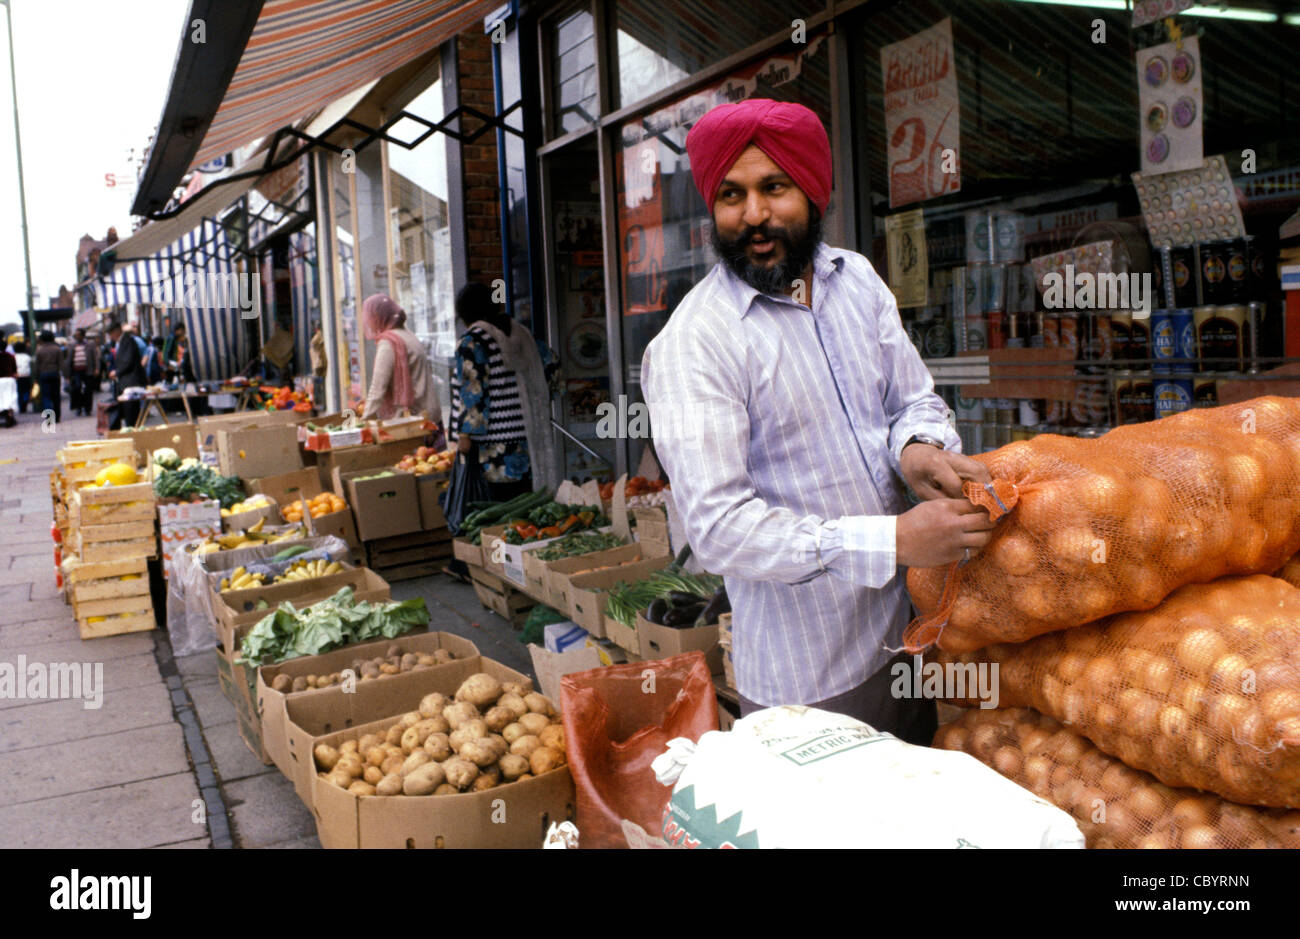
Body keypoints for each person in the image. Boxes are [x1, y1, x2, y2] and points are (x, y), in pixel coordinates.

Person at [641, 99, 995, 745]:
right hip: (807, 683)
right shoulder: (697, 342)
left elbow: (912, 398)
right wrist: (891, 541)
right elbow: (718, 529)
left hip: (907, 635)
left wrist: (916, 448)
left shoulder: (854, 279)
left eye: (773, 187)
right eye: (731, 194)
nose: (754, 214)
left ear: (811, 188)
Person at [449, 283, 559, 500]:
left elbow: (473, 393)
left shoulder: (472, 342)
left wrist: (463, 436)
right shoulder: (524, 336)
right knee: (526, 507)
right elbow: (553, 370)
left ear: (464, 313)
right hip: (529, 441)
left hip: (493, 448)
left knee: (498, 515)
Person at [359, 294, 441, 425]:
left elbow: (378, 387)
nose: (368, 322)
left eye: (370, 317)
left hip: (416, 422)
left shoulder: (389, 342)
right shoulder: (407, 334)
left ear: (379, 317)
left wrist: (364, 421)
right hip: (431, 415)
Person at [107, 320, 146, 429]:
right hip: (125, 382)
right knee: (128, 414)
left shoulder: (128, 341)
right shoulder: (120, 342)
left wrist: (117, 372)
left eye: (111, 333)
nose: (111, 337)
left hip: (132, 382)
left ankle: (134, 433)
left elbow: (128, 361)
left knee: (132, 414)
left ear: (117, 330)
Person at [32, 330, 66, 424]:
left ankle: (49, 417)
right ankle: (57, 417)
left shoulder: (39, 350)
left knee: (46, 396)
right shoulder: (57, 349)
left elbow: (36, 366)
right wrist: (66, 375)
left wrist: (36, 377)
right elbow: (62, 364)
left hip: (43, 375)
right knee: (56, 396)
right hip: (55, 374)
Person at [67, 328, 100, 416]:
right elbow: (69, 359)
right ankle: (79, 407)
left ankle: (87, 409)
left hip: (88, 370)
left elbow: (95, 357)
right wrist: (68, 373)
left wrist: (96, 368)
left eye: (78, 334)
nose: (77, 336)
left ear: (83, 335)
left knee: (88, 390)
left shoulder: (90, 344)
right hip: (76, 371)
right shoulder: (72, 345)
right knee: (77, 388)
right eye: (76, 335)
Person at [309, 318, 327, 408]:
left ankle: (318, 401)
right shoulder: (316, 339)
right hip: (319, 367)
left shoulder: (316, 339)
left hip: (319, 367)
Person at [12, 339, 32, 414]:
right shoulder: (27, 357)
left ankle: (21, 406)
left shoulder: (14, 356)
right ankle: (25, 400)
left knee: (19, 392)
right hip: (26, 376)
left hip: (17, 376)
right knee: (26, 390)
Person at [0, 335, 16, 427]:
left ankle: (4, 414)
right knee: (10, 398)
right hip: (9, 379)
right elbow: (14, 369)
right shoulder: (10, 356)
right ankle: (10, 415)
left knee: (1, 399)